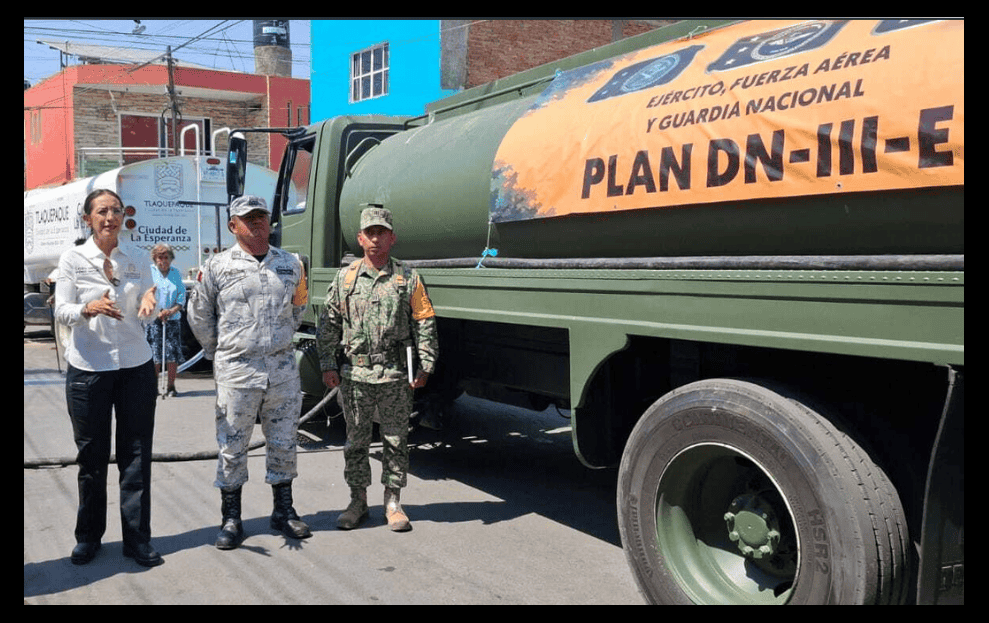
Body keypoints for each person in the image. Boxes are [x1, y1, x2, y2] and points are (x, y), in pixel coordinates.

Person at [187, 195, 311, 550]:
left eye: (261, 217)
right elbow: (199, 315)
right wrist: (220, 351)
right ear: (233, 225)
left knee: (284, 441)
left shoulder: (290, 264)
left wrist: (278, 341)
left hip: (282, 370)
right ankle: (231, 517)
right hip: (237, 371)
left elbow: (298, 308)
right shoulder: (217, 267)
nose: (257, 223)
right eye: (248, 218)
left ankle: (283, 511)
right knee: (232, 445)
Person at [54, 188, 162, 567]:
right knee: (92, 458)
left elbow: (147, 302)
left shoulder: (136, 256)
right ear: (88, 219)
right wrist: (88, 307)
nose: (109, 217)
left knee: (136, 456)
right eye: (101, 211)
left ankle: (137, 540)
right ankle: (88, 538)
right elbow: (61, 310)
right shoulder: (73, 258)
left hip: (135, 367)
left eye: (116, 210)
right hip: (89, 369)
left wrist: (151, 301)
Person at [317, 205, 439, 532]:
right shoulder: (345, 278)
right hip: (355, 376)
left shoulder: (408, 278)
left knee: (396, 440)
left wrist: (425, 363)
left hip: (395, 375)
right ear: (360, 238)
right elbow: (328, 323)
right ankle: (357, 501)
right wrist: (328, 363)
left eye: (381, 233)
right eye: (369, 233)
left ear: (392, 238)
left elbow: (424, 321)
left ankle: (393, 501)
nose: (375, 239)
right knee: (356, 442)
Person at [146, 243, 186, 396]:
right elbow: (146, 294)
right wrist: (157, 312)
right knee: (155, 354)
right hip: (154, 318)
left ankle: (171, 386)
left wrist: (171, 310)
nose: (163, 261)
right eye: (160, 257)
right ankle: (153, 387)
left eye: (166, 257)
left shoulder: (176, 273)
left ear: (171, 258)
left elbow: (181, 297)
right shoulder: (150, 273)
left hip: (172, 318)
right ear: (155, 259)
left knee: (172, 354)